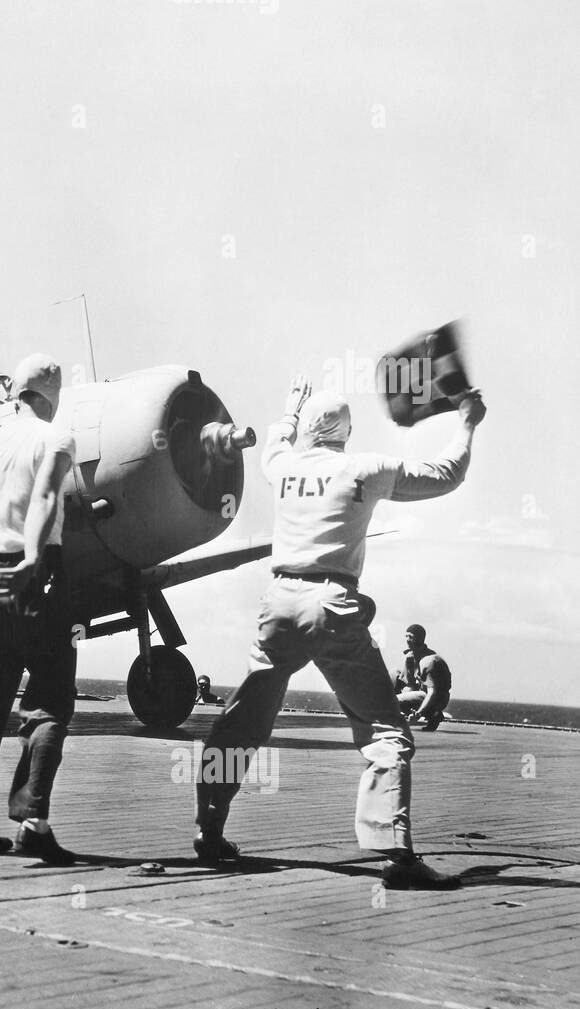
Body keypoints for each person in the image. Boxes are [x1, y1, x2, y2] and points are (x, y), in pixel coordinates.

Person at [192, 377, 486, 890]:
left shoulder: (282, 467)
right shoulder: (364, 468)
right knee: (386, 733)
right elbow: (445, 474)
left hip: (279, 601)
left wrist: (289, 407)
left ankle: (209, 830)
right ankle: (393, 853)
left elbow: (277, 444)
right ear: (346, 432)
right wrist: (465, 423)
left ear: (308, 430)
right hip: (334, 603)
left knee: (240, 725)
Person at [0, 355, 78, 863]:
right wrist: (34, 556)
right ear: (51, 394)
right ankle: (32, 821)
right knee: (48, 705)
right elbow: (45, 494)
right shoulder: (56, 436)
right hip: (39, 575)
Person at [394, 624, 452, 731]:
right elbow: (410, 686)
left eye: (411, 637)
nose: (407, 640)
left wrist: (418, 714)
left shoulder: (429, 661)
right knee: (394, 673)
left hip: (436, 698)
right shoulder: (410, 658)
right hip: (421, 693)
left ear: (420, 638)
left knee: (391, 702)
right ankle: (431, 714)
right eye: (406, 637)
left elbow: (432, 693)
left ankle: (433, 713)